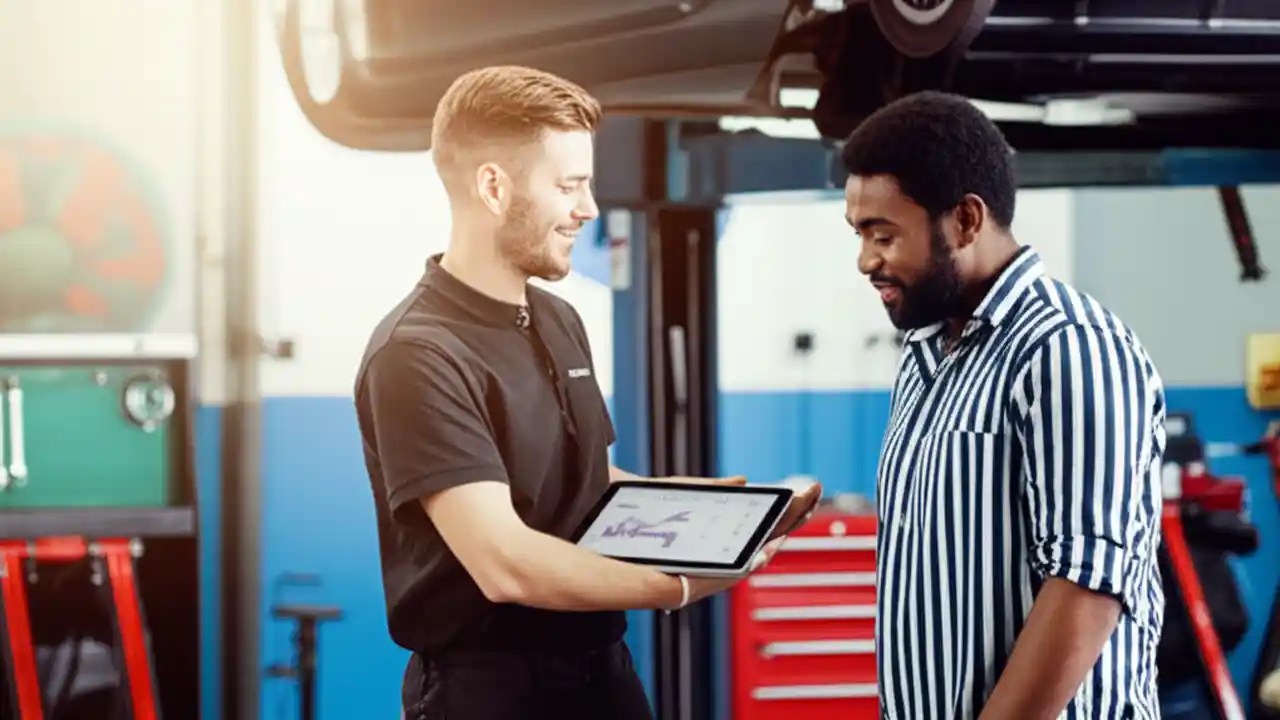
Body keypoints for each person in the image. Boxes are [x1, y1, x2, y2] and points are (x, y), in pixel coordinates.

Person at [352, 65, 820, 720]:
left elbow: (591, 480)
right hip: (489, 693)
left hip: (604, 672)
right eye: (569, 185)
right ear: (493, 187)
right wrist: (680, 586)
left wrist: (706, 511)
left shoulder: (556, 319)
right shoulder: (417, 354)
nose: (589, 208)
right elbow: (505, 563)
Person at [842, 91, 1166, 720]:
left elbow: (1086, 587)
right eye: (859, 234)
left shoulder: (1067, 349)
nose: (866, 261)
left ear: (965, 220)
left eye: (883, 235)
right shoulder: (926, 354)